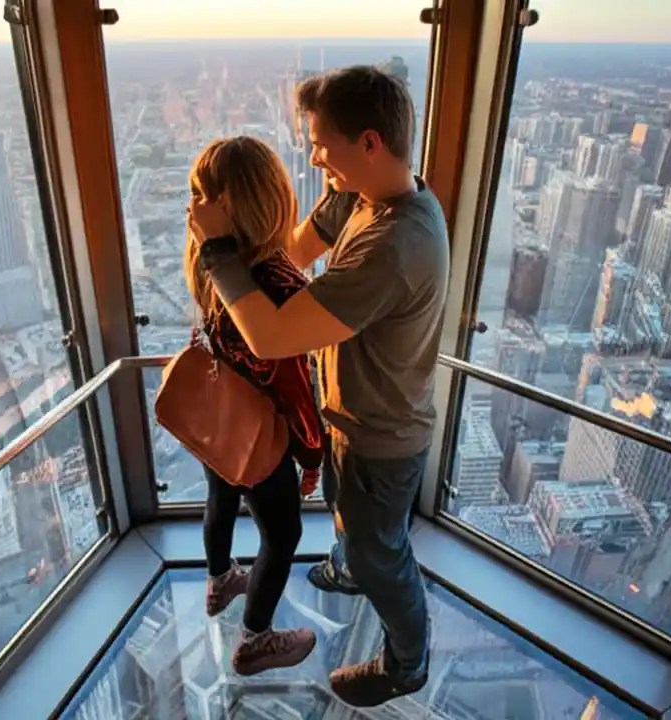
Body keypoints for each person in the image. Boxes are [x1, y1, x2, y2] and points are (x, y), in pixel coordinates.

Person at [189, 66, 449, 707]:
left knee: (385, 556)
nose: (312, 156)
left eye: (321, 143)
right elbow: (295, 253)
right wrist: (250, 245)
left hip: (381, 436)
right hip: (351, 419)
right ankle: (348, 565)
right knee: (350, 518)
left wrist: (221, 250)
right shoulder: (365, 196)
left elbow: (274, 337)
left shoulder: (393, 243)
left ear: (368, 142)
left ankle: (405, 663)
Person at [183, 136, 326, 676]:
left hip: (218, 422)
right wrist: (312, 457)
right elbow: (294, 388)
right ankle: (255, 641)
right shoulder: (277, 284)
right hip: (262, 441)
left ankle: (219, 583)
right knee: (283, 534)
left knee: (219, 498)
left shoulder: (213, 266)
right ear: (272, 200)